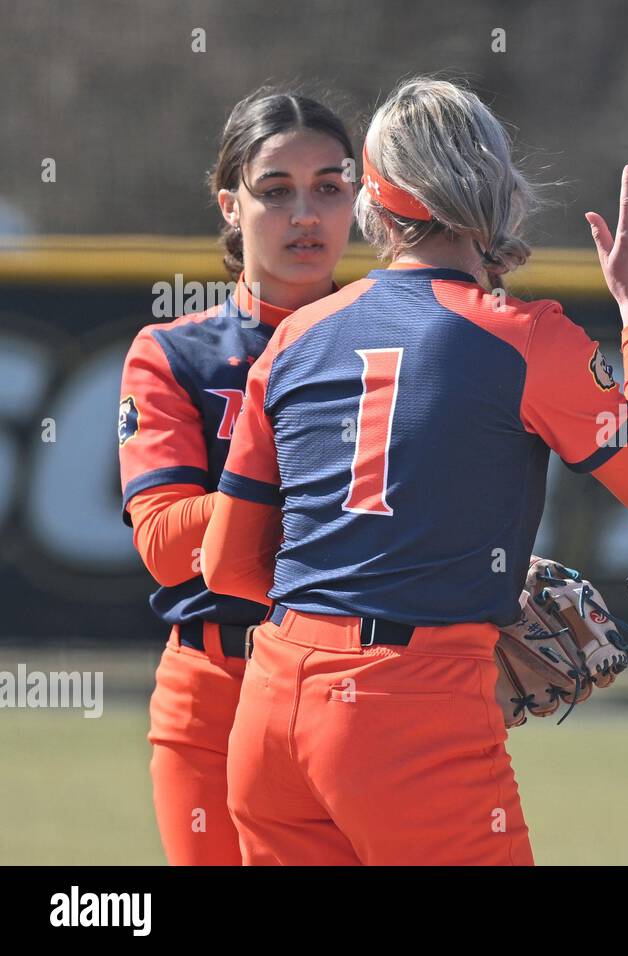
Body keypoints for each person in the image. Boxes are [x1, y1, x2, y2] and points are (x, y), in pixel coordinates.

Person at [200, 76, 628, 865]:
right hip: (410, 712)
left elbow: (226, 565)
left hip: (271, 707)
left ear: (375, 201)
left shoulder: (296, 335)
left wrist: (365, 602)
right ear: (498, 191)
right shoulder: (527, 337)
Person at [117, 89, 355, 865]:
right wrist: (315, 495)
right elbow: (163, 544)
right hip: (217, 683)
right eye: (276, 190)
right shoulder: (175, 353)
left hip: (357, 691)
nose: (306, 214)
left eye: (329, 186)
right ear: (230, 205)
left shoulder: (396, 345)